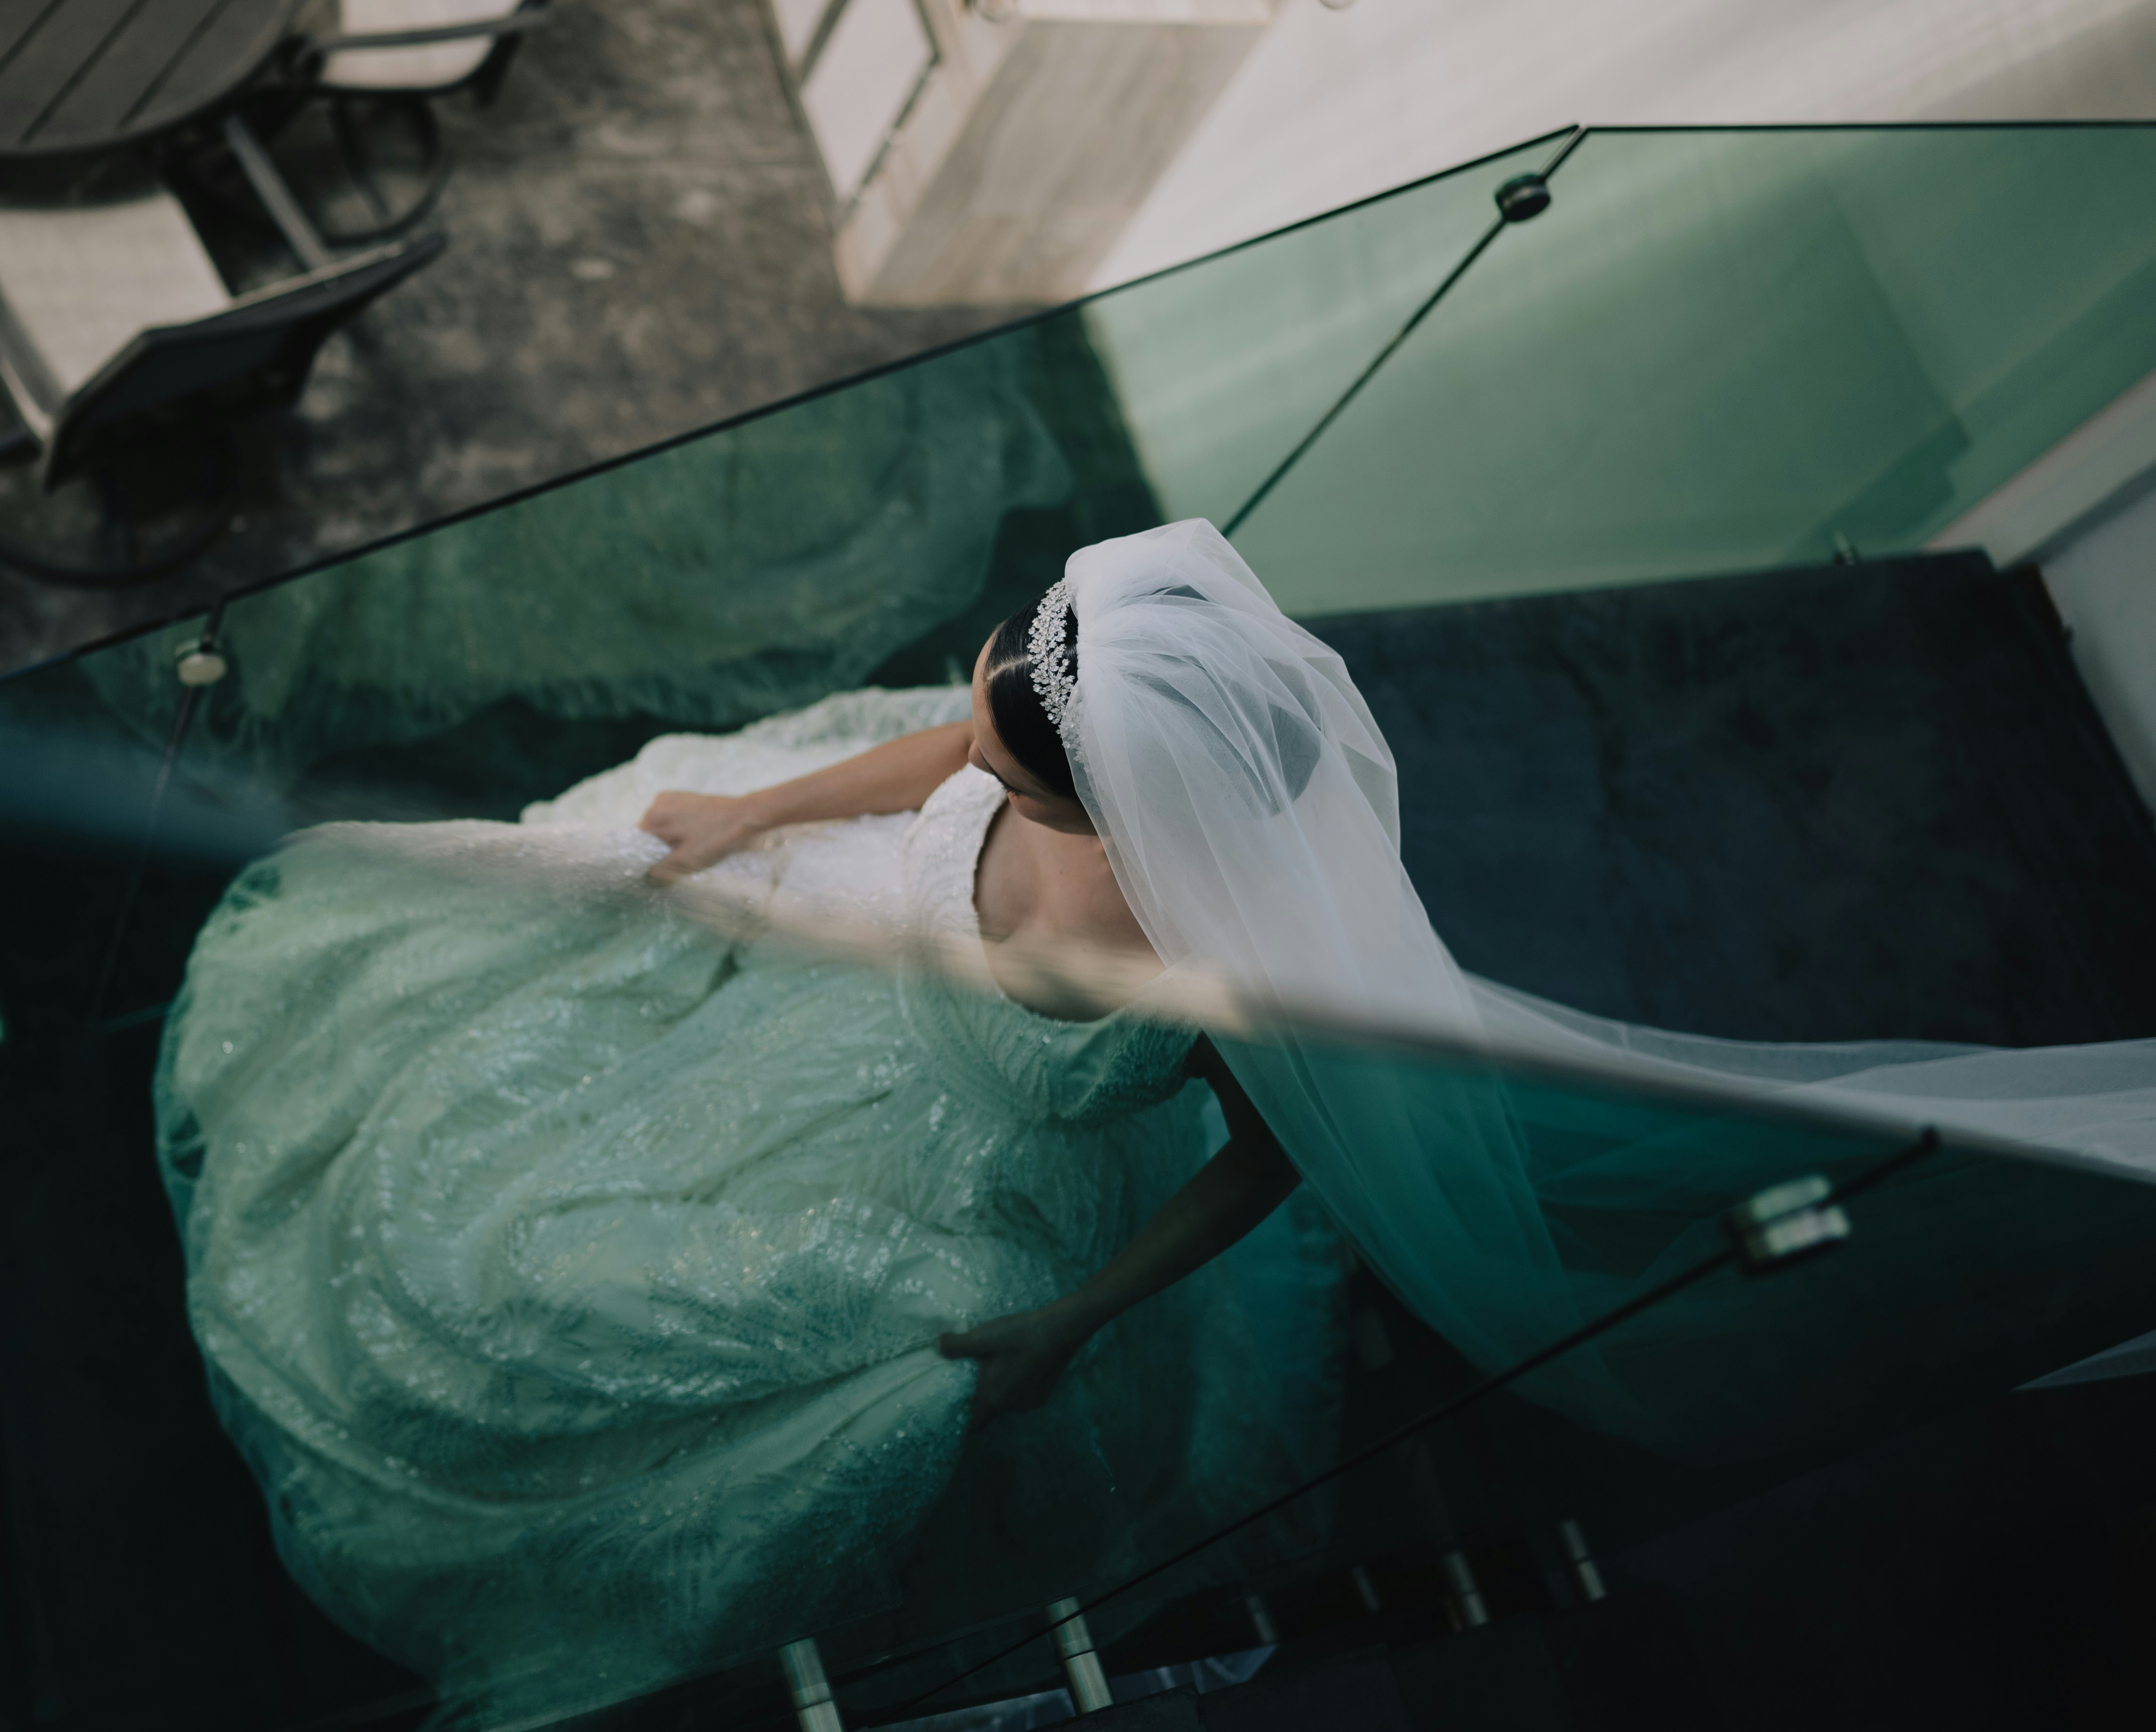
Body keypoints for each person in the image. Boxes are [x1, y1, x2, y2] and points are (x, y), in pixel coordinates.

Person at [158, 521, 2156, 1728]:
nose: (976, 715)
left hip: (946, 1165)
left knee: (621, 1307)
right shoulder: (1066, 691)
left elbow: (1271, 1154)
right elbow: (956, 742)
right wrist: (760, 815)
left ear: (1119, 811)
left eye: (1024, 760)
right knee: (532, 1024)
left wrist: (1079, 1317)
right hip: (832, 957)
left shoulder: (1206, 948)